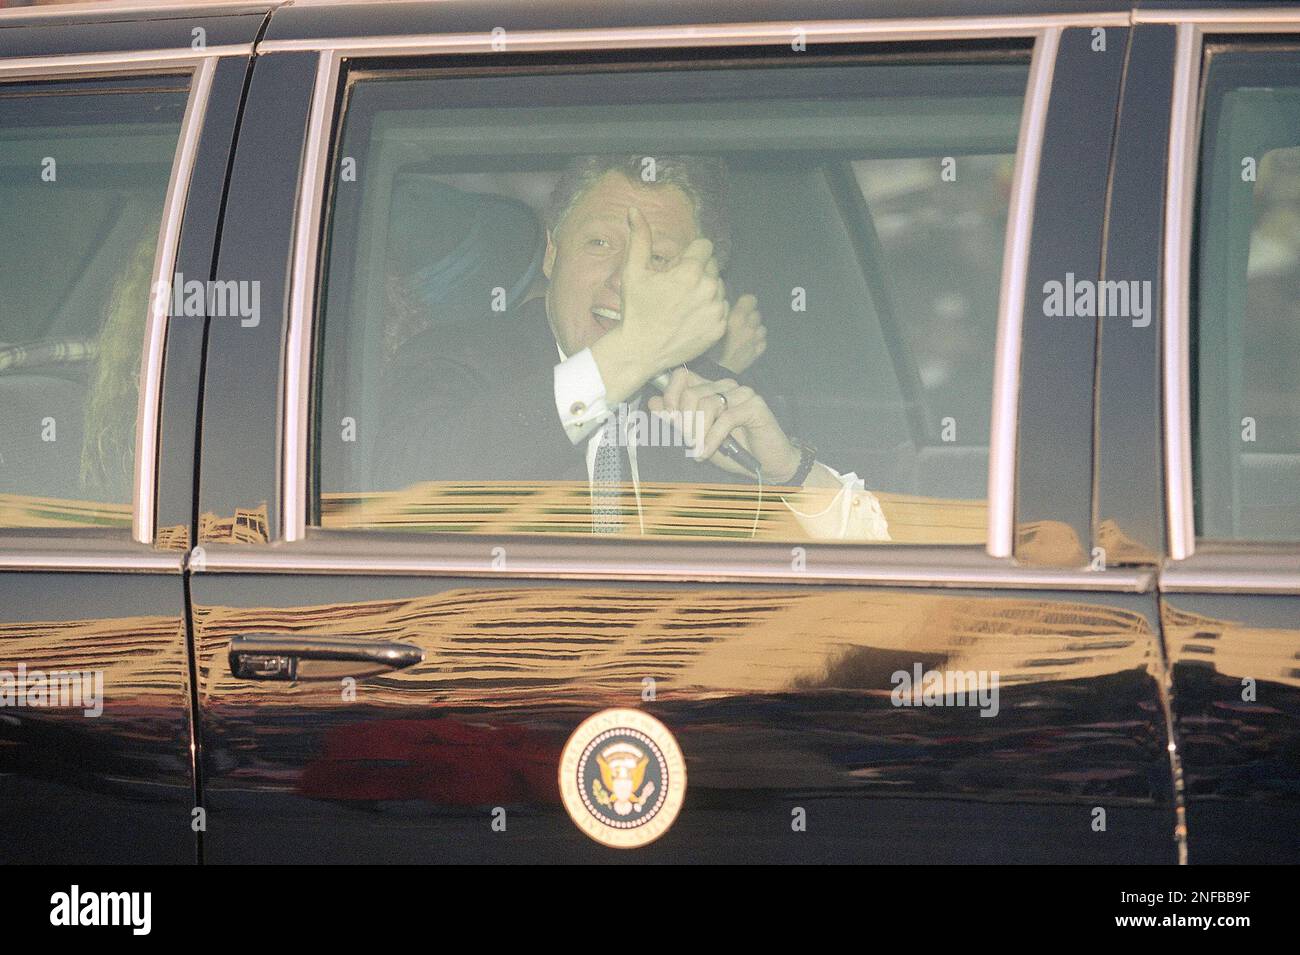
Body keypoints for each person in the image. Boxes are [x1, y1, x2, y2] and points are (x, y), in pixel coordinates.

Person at [375, 155, 889, 541]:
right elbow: (412, 492)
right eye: (599, 244)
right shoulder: (450, 360)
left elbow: (885, 580)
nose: (623, 279)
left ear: (699, 282)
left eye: (659, 258)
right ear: (552, 253)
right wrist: (635, 352)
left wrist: (790, 473)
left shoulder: (724, 402)